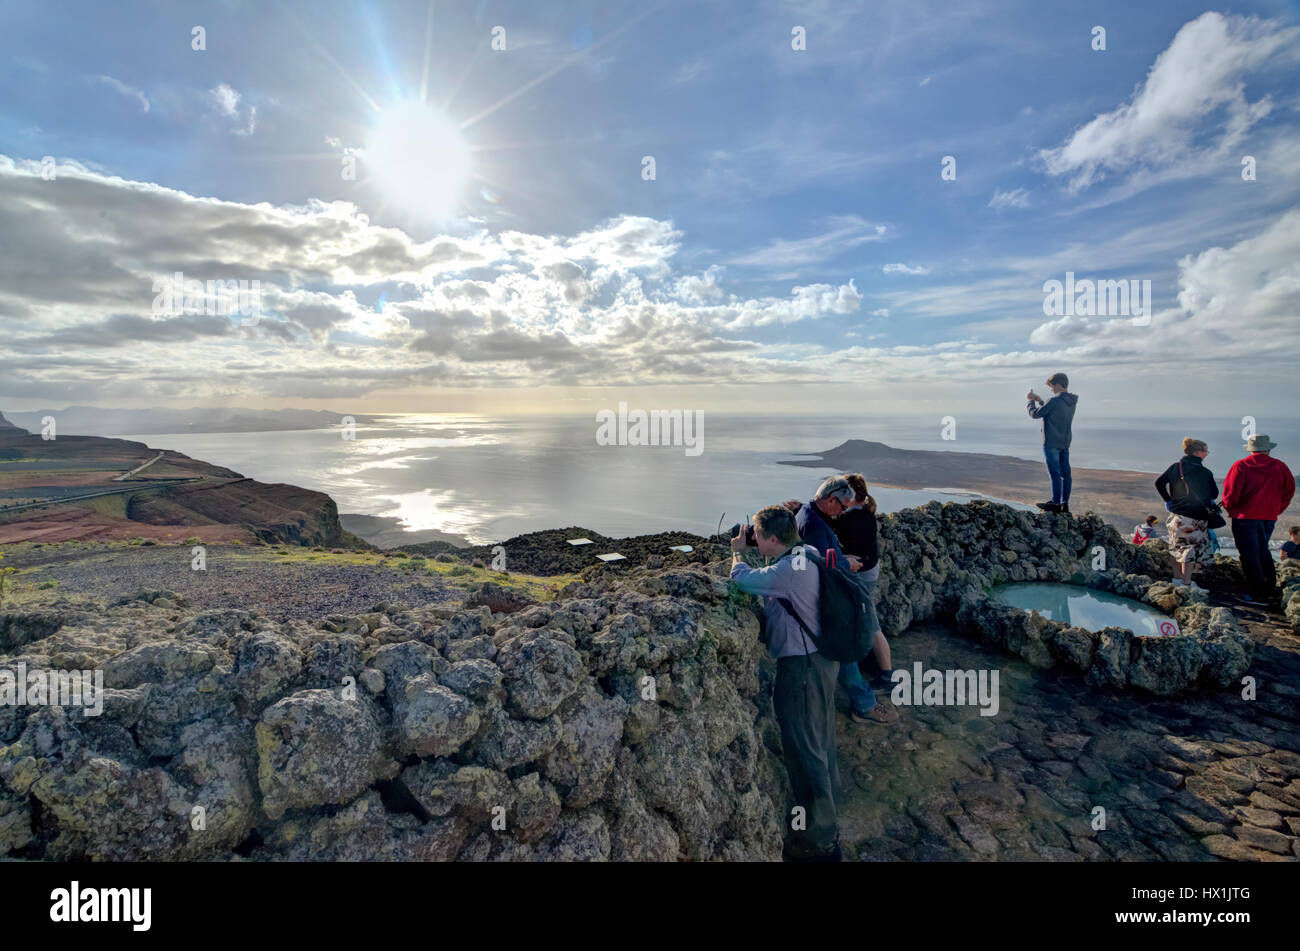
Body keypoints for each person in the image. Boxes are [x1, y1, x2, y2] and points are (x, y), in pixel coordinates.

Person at [729, 505, 841, 861]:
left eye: (758, 535)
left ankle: (822, 841)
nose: (753, 538)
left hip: (802, 668)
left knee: (804, 746)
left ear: (773, 539)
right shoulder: (804, 553)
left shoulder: (789, 570)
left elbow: (743, 580)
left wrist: (737, 554)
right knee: (820, 739)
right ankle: (824, 816)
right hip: (821, 661)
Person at [793, 477, 895, 724]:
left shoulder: (811, 514)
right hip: (827, 598)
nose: (843, 512)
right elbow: (818, 565)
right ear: (831, 499)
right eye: (842, 506)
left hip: (824, 596)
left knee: (841, 653)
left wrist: (839, 557)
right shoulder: (815, 525)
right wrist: (844, 562)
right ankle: (865, 705)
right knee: (845, 652)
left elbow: (819, 556)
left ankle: (857, 701)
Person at [1222, 434, 1296, 606]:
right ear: (1268, 449)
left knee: (1249, 554)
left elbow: (1231, 493)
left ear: (1250, 449)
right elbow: (1289, 491)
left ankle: (1257, 594)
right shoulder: (1280, 467)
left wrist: (1231, 508)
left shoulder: (1241, 466)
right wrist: (1276, 509)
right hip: (1268, 516)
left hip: (1244, 517)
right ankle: (1269, 588)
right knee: (1263, 550)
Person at [1154, 438, 1219, 589]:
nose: (1207, 454)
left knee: (1176, 547)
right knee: (1189, 550)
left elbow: (1159, 483)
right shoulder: (1205, 472)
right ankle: (1186, 583)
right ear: (1197, 453)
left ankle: (1177, 578)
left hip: (1176, 515)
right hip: (1196, 517)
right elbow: (1214, 494)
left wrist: (1169, 501)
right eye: (1205, 451)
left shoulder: (1176, 467)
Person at [1026, 372, 1078, 514]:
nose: (1051, 389)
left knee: (1055, 473)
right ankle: (1064, 504)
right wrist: (1041, 401)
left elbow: (1036, 414)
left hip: (1051, 442)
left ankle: (1055, 503)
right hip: (1065, 442)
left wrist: (1030, 401)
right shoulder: (1071, 401)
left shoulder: (1054, 401)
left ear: (1058, 385)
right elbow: (1054, 411)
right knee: (1065, 474)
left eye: (1051, 386)